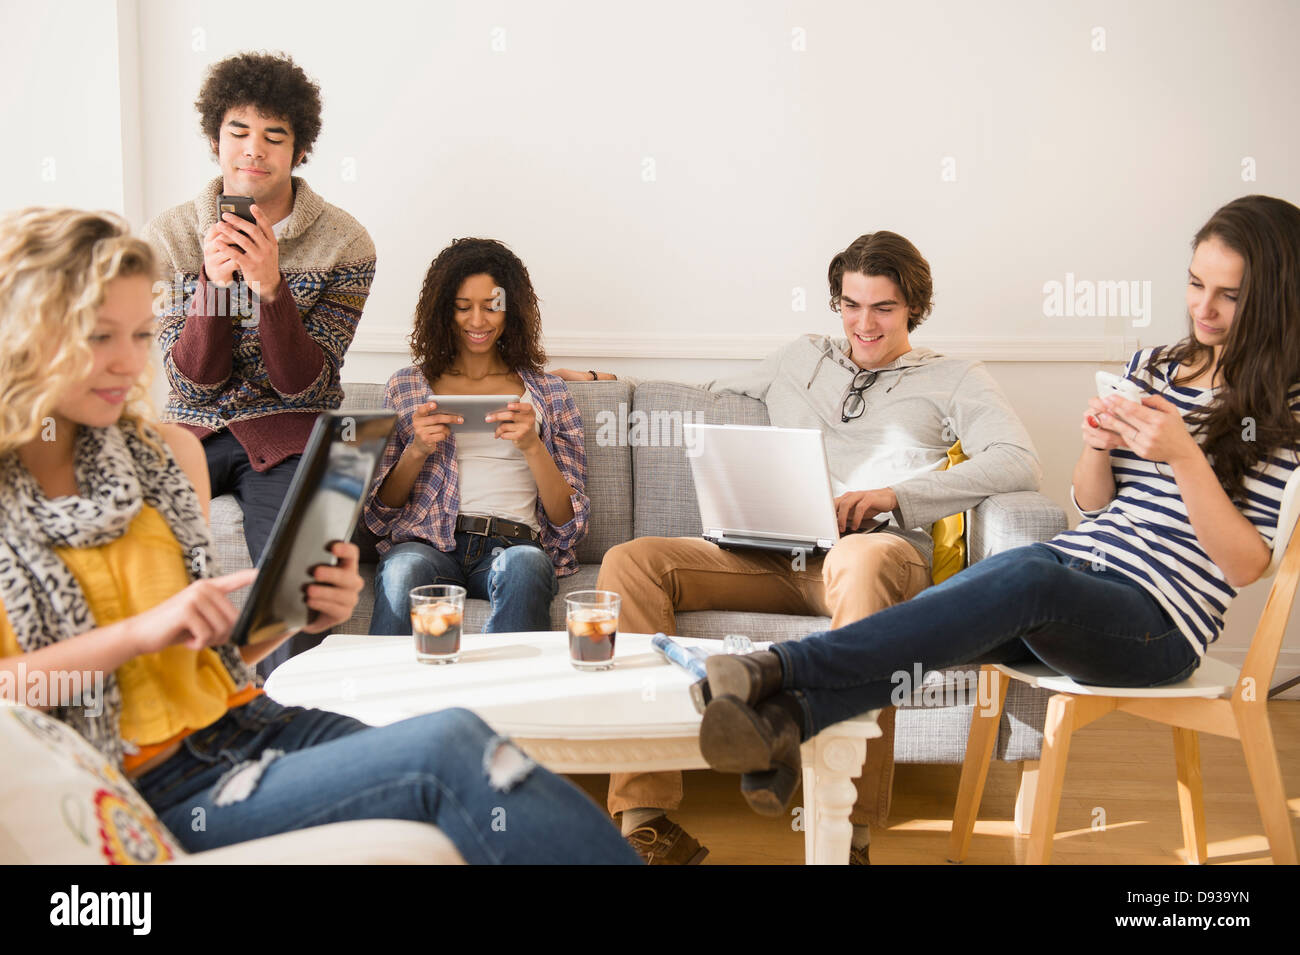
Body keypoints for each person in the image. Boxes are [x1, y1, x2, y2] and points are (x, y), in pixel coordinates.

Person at [0, 208, 639, 865]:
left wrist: (295, 612)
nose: (129, 362)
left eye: (139, 334)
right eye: (101, 334)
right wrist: (143, 631)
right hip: (156, 781)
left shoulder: (165, 456)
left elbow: (212, 655)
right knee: (447, 749)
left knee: (473, 746)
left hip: (251, 722)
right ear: (27, 333)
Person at [696, 195, 1300, 821]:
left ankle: (772, 671)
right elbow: (1094, 508)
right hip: (1077, 578)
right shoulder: (1156, 368)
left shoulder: (1285, 408)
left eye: (1228, 294)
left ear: (1274, 298)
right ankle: (784, 722)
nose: (1203, 307)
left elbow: (1244, 566)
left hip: (1157, 623)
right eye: (1196, 283)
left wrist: (1183, 456)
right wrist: (1096, 446)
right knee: (968, 604)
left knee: (1026, 574)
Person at [585, 231, 1042, 863]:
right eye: (851, 305)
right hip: (773, 552)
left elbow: (1018, 461)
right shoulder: (799, 358)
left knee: (859, 561)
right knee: (630, 562)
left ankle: (845, 831)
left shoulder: (956, 377)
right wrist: (601, 380)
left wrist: (896, 496)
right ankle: (648, 819)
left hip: (876, 553)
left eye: (882, 307)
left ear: (913, 305)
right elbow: (711, 387)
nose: (865, 324)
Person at [142, 52, 377, 676]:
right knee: (133, 541)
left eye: (274, 137)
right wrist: (214, 290)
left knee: (301, 568)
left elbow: (307, 383)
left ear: (298, 150)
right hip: (194, 425)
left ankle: (291, 716)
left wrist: (272, 291)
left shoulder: (346, 243)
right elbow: (190, 377)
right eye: (238, 133)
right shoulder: (167, 236)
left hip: (293, 427)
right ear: (214, 140)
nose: (254, 151)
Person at [364, 238, 589, 636]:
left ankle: (500, 695)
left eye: (492, 306)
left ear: (512, 310)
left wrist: (533, 446)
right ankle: (390, 697)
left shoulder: (550, 394)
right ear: (443, 311)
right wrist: (416, 450)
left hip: (512, 545)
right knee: (403, 568)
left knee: (526, 566)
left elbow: (569, 525)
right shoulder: (407, 387)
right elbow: (380, 516)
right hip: (428, 545)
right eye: (463, 307)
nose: (478, 321)